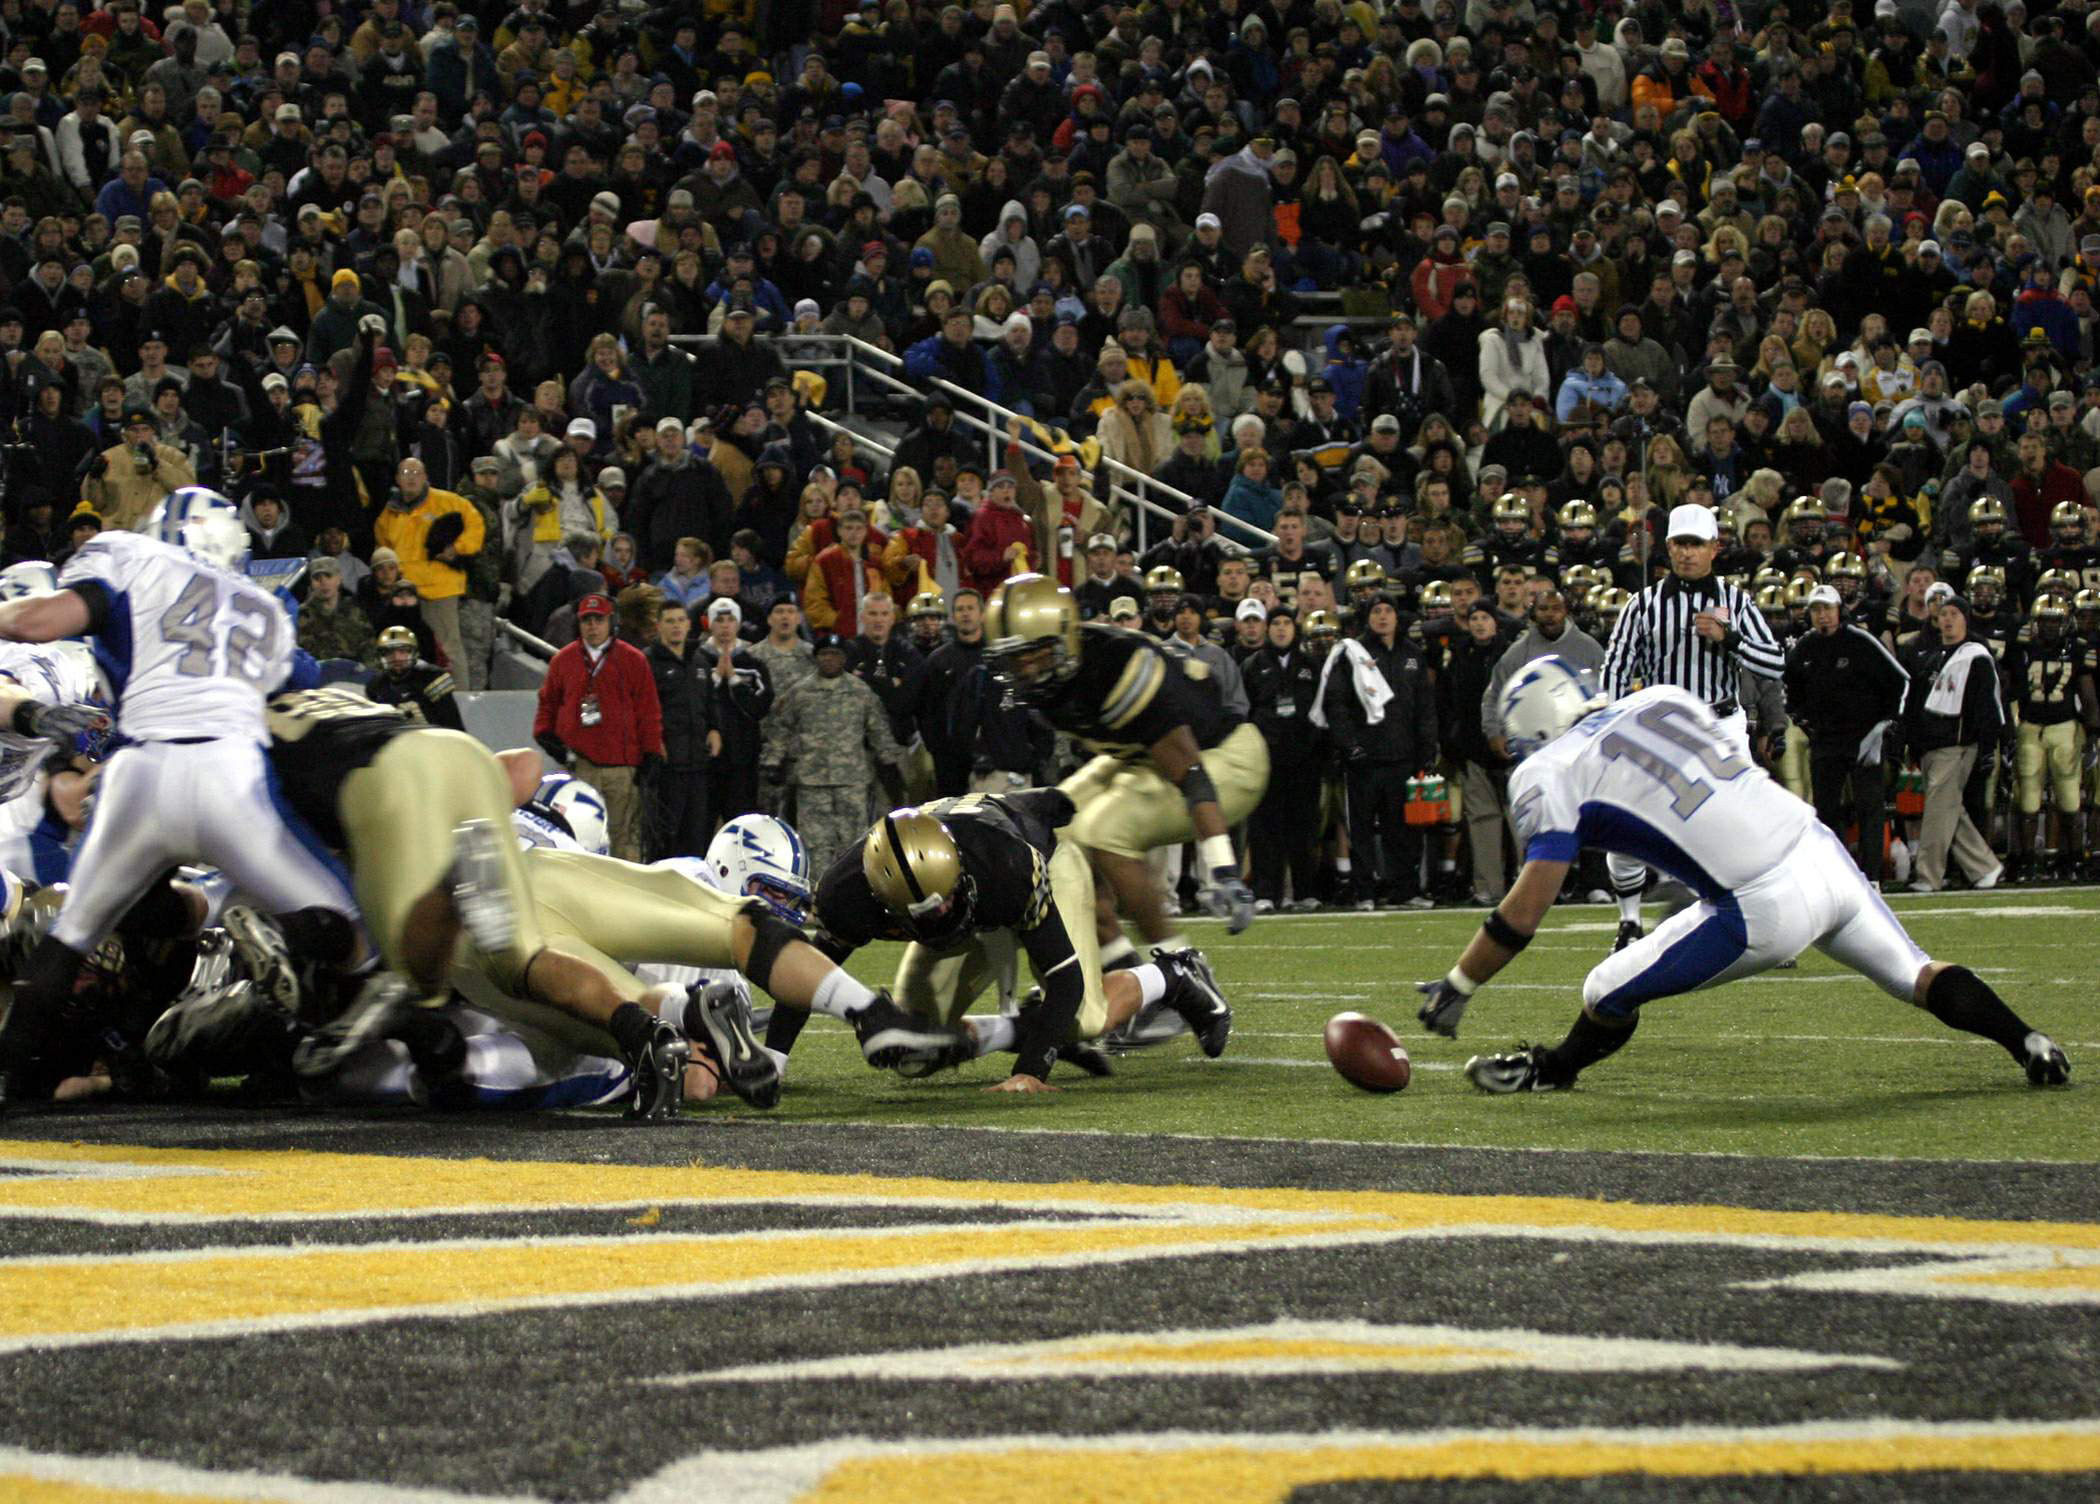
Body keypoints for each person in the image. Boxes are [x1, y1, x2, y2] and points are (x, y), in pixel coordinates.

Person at [1408, 657, 2068, 1094]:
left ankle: (1553, 1071)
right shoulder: (1659, 697)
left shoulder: (1546, 770)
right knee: (1916, 974)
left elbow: (1529, 905)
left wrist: (1461, 982)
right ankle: (2029, 1041)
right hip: (1817, 845)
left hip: (1764, 904)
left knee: (1605, 987)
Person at [0, 488, 360, 1108]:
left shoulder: (121, 581)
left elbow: (51, 667)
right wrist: (46, 720)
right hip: (219, 776)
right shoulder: (260, 608)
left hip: (140, 775)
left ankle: (51, 1069)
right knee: (340, 927)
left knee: (78, 929)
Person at [766, 792, 1234, 1092]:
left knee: (1084, 1016)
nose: (941, 914)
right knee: (915, 1053)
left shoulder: (1006, 869)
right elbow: (805, 972)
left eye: (945, 901)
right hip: (974, 889)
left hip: (1044, 864)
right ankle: (1022, 1026)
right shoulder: (848, 895)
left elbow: (1064, 977)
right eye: (925, 913)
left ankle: (1173, 973)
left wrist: (1030, 1071)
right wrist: (773, 1060)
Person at [985, 574, 1266, 955]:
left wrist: (1223, 869)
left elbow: (1191, 773)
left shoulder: (1119, 667)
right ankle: (1123, 970)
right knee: (1051, 831)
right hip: (1139, 757)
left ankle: (1180, 969)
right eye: (1017, 659)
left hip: (1226, 757)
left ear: (1066, 637)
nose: (1029, 669)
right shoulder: (1053, 681)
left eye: (1037, 654)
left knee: (1104, 830)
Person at [1597, 503, 1786, 949]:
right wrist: (1615, 723)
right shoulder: (1642, 606)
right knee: (1625, 824)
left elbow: (1775, 662)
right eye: (1680, 544)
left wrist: (1731, 639)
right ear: (1667, 548)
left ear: (1715, 548)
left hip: (1721, 724)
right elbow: (1616, 670)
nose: (1687, 554)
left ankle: (1760, 923)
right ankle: (1629, 920)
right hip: (1659, 731)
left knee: (1742, 828)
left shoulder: (1736, 602)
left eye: (1696, 544)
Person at [1314, 591, 1439, 909]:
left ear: (1397, 616)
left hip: (1404, 756)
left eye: (1388, 611)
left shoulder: (1412, 653)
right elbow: (1337, 704)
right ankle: (1365, 892)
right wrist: (1350, 745)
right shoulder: (1352, 653)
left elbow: (1425, 707)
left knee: (1404, 830)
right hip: (1364, 759)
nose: (1383, 616)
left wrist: (1427, 750)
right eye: (1376, 611)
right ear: (1366, 618)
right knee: (1361, 831)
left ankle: (1404, 890)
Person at [1784, 584, 1911, 887]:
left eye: (1828, 609)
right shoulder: (1804, 647)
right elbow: (1791, 690)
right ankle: (1839, 876)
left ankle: (1871, 877)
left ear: (1839, 610)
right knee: (1826, 809)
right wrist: (1802, 719)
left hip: (1864, 737)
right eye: (1816, 610)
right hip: (1826, 739)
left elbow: (1900, 681)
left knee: (1870, 807)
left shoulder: (1861, 641)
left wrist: (1888, 724)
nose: (1823, 616)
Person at [533, 592, 663, 861]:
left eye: (598, 619)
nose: (592, 626)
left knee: (624, 838)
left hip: (623, 767)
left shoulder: (633, 659)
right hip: (580, 766)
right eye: (586, 620)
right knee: (579, 836)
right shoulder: (563, 660)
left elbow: (649, 711)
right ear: (578, 624)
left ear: (610, 622)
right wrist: (544, 733)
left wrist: (651, 754)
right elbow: (547, 703)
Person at [762, 632, 906, 876]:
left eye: (835, 655)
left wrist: (890, 764)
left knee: (855, 844)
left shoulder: (861, 692)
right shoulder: (800, 693)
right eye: (824, 654)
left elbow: (878, 731)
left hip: (852, 782)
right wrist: (773, 762)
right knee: (815, 846)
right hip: (812, 783)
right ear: (816, 658)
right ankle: (819, 897)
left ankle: (850, 895)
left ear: (844, 659)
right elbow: (780, 728)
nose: (829, 659)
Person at [695, 598, 772, 823]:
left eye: (730, 619)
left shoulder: (754, 661)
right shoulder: (697, 659)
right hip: (706, 758)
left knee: (740, 823)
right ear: (710, 623)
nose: (725, 625)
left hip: (743, 759)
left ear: (738, 624)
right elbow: (693, 702)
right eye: (719, 619)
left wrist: (735, 681)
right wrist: (717, 677)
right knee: (702, 824)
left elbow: (760, 707)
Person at [367, 623, 463, 731]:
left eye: (402, 651)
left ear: (414, 653)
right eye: (389, 652)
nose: (396, 657)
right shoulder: (376, 686)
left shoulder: (430, 677)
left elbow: (452, 723)